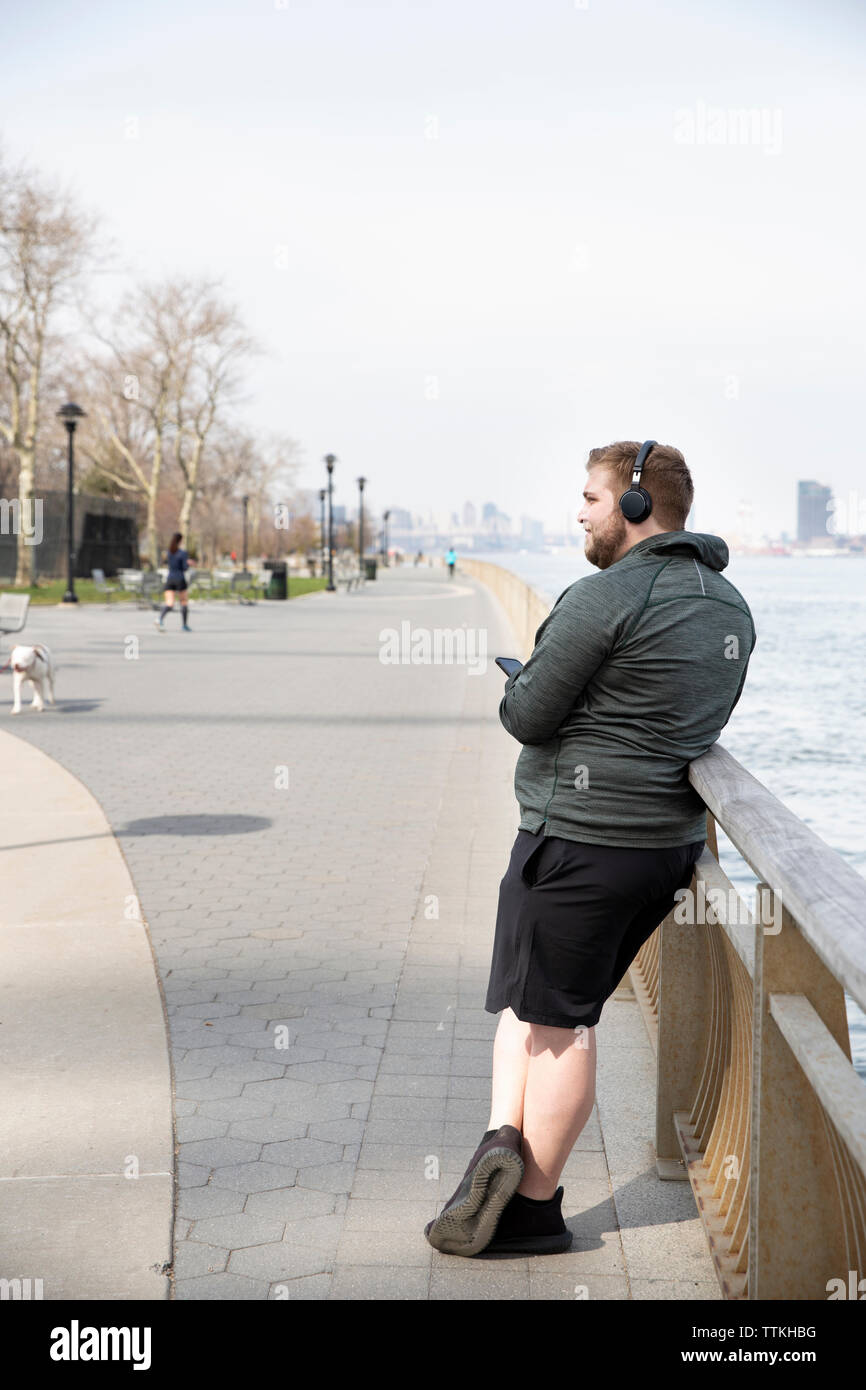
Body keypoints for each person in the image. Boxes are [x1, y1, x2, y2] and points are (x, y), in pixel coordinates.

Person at [425, 439, 757, 1257]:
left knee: (562, 1024)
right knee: (533, 1005)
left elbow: (529, 716)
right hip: (663, 848)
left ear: (636, 508)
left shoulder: (604, 595)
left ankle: (535, 1210)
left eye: (591, 498)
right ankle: (500, 1143)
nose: (579, 512)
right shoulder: (730, 606)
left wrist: (521, 679)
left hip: (579, 844)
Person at [154, 532, 191, 632]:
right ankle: (184, 625)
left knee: (169, 603)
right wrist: (188, 563)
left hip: (170, 579)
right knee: (183, 602)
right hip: (180, 579)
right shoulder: (182, 553)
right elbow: (184, 568)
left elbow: (168, 564)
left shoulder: (169, 553)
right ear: (180, 540)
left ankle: (160, 619)